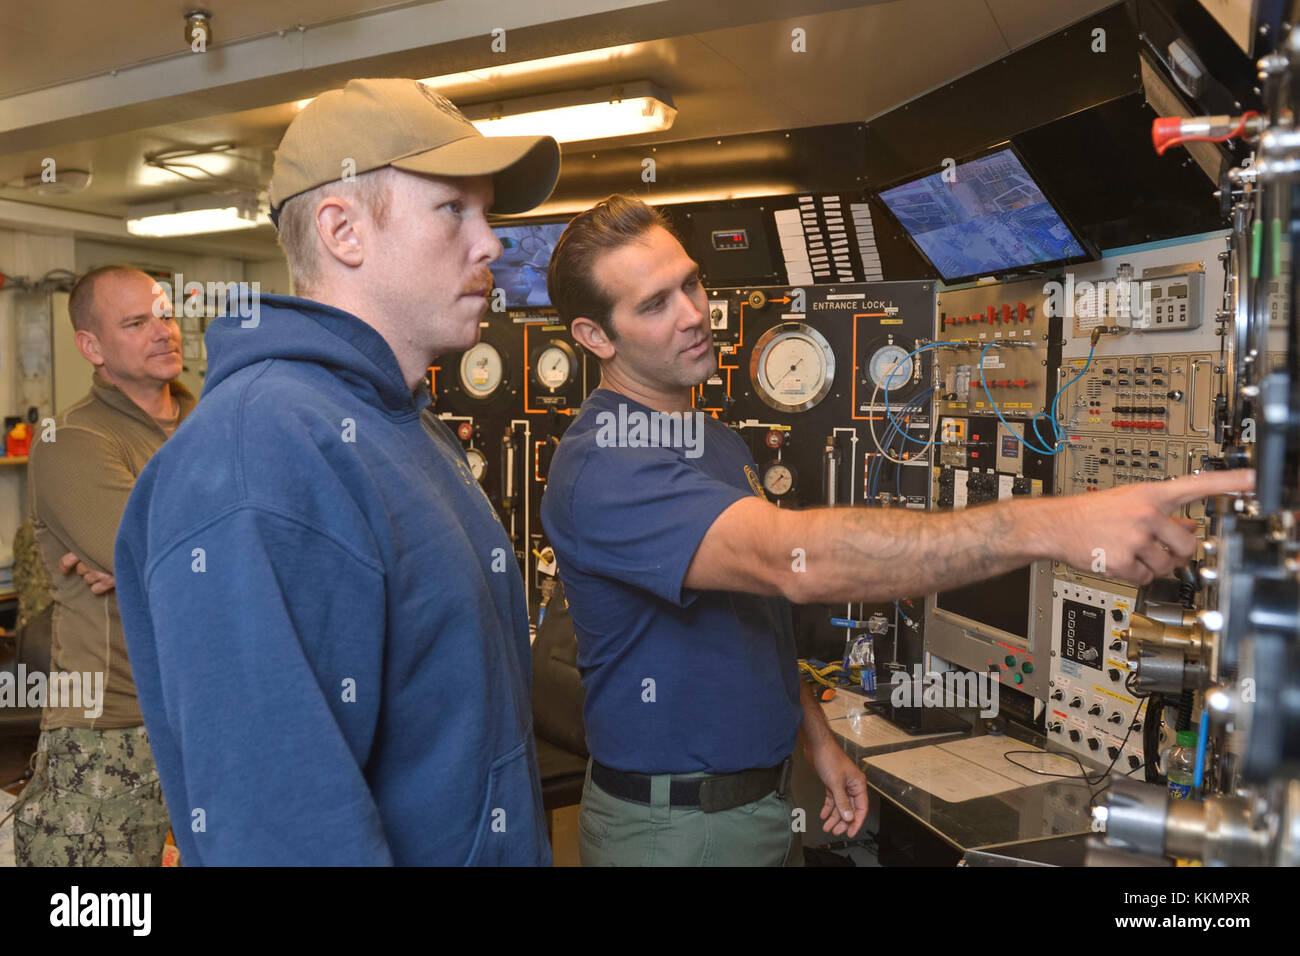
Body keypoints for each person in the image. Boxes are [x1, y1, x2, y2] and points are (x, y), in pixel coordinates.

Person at [539, 194, 1255, 867]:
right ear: (593, 335)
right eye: (655, 304)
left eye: (691, 285)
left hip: (753, 799)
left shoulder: (712, 441)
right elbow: (795, 565)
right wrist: (1057, 524)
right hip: (676, 831)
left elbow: (749, 622)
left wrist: (816, 739)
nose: (693, 314)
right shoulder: (607, 466)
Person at [113, 78, 560, 865]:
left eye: (488, 214)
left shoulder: (399, 424)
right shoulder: (260, 454)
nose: (492, 244)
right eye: (455, 209)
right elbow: (281, 833)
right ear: (343, 231)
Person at [13, 265, 195, 866]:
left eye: (164, 314)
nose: (163, 331)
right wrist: (163, 556)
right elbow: (150, 556)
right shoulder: (73, 439)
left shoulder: (213, 421)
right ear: (91, 347)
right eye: (136, 322)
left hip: (214, 710)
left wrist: (164, 555)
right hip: (112, 728)